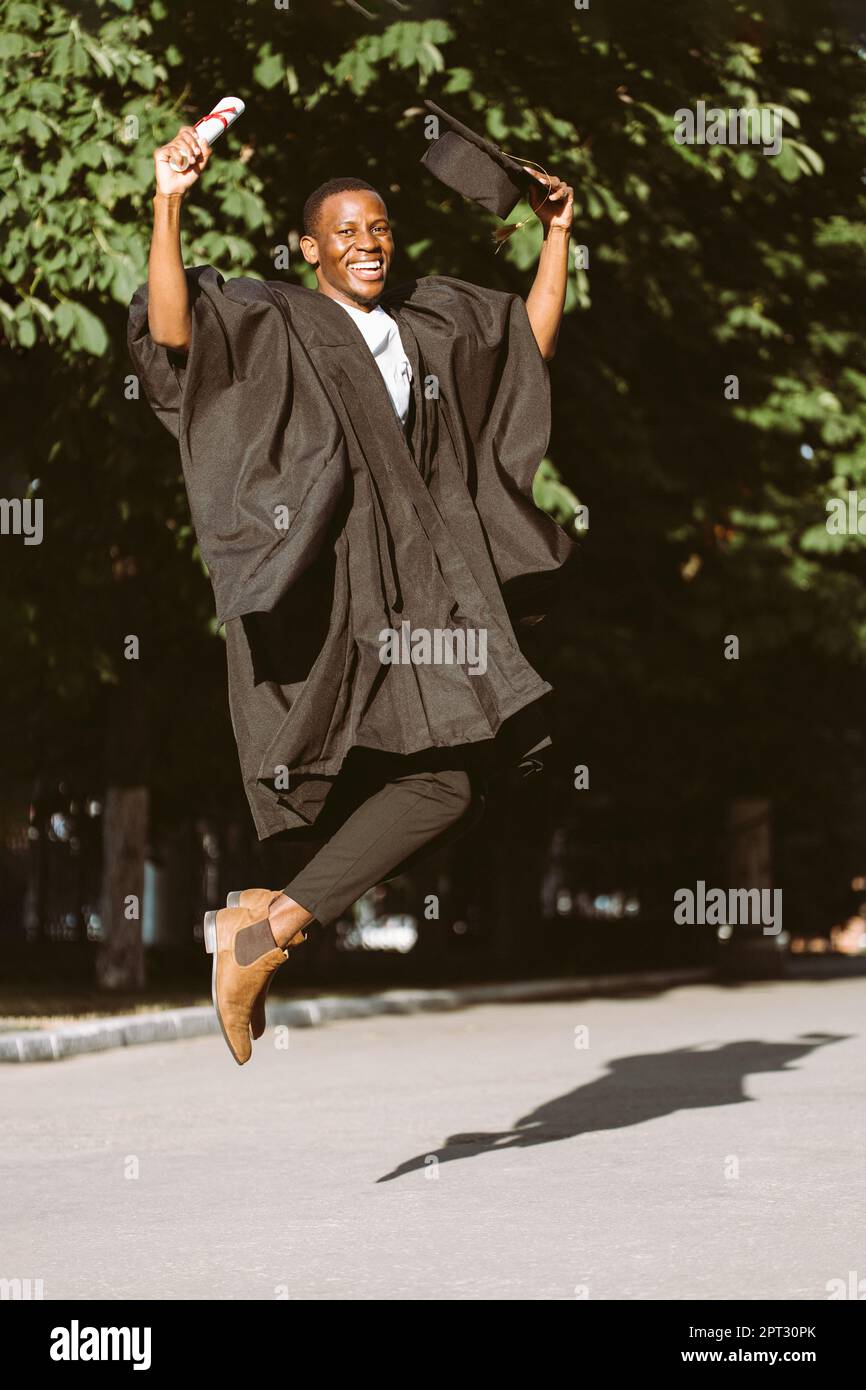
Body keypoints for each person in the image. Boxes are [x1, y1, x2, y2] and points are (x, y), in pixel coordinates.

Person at [128, 119, 575, 1065]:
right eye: (345, 230)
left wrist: (557, 235)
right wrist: (168, 200)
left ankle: (264, 921)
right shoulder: (276, 315)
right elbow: (174, 336)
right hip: (333, 586)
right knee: (421, 779)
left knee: (454, 777)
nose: (368, 242)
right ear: (308, 247)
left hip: (422, 589)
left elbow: (524, 350)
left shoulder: (427, 318)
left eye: (378, 227)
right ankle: (265, 925)